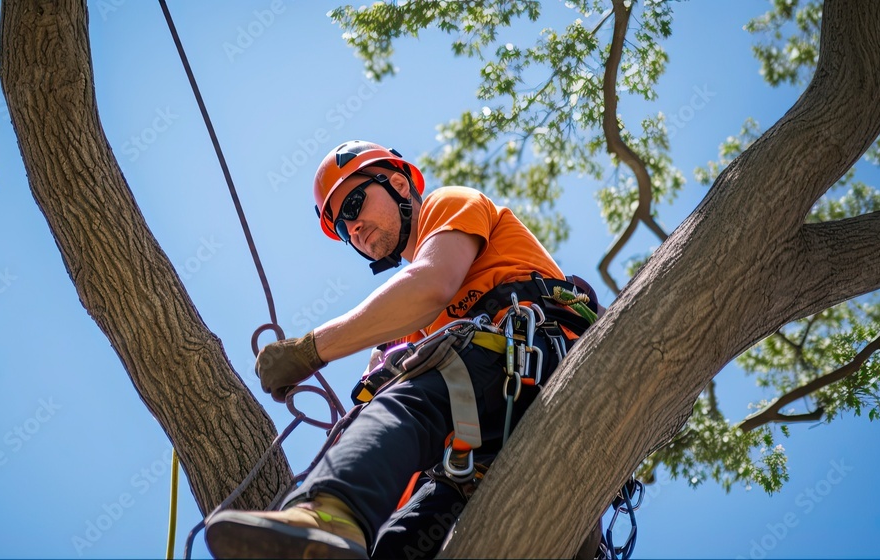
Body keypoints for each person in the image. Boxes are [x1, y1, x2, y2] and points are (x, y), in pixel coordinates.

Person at [205, 140, 600, 559]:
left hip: (532, 368)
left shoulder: (449, 205)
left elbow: (430, 285)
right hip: (471, 455)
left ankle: (329, 512)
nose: (353, 227)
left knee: (407, 401)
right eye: (342, 227)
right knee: (395, 543)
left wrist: (309, 351)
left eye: (355, 203)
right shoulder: (400, 334)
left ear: (397, 182)